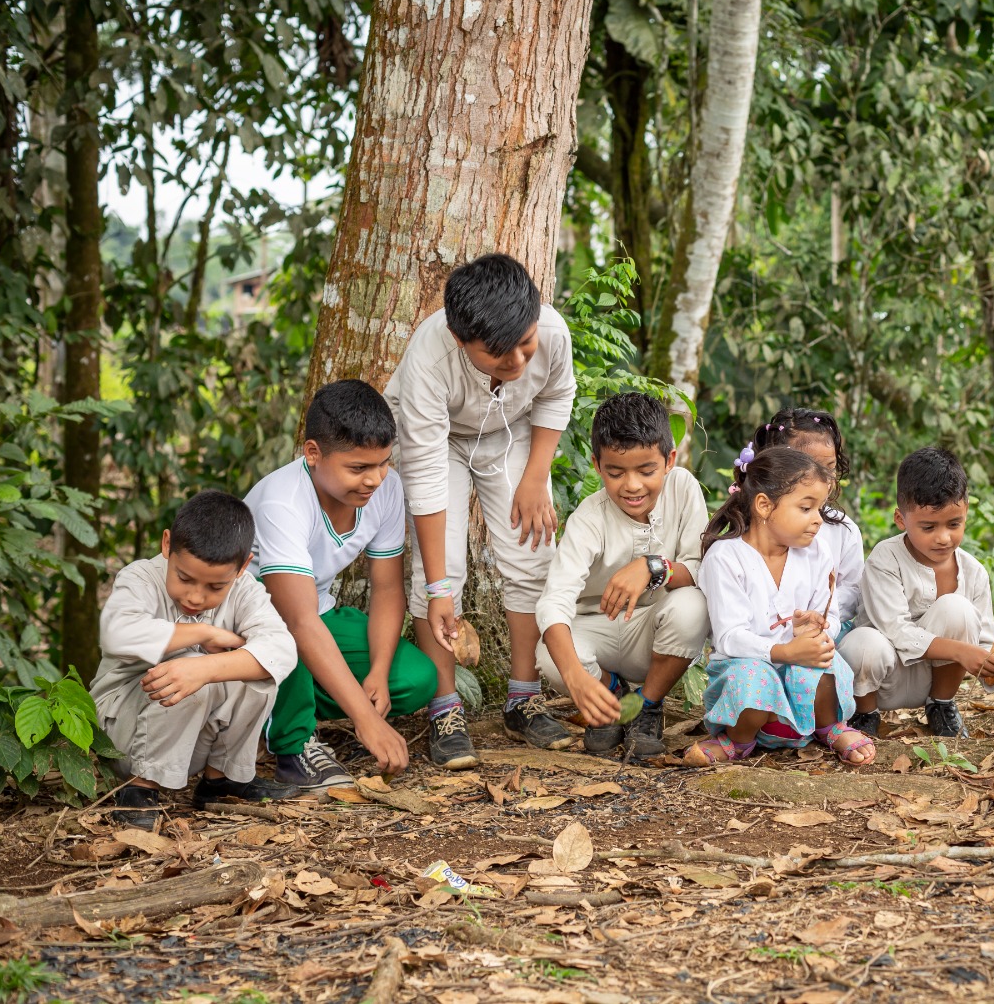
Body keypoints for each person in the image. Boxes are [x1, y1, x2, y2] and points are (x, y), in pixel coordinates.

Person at [384, 253, 577, 750]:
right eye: (498, 354)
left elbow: (557, 396)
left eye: (525, 346)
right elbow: (425, 475)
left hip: (509, 436)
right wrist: (438, 585)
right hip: (434, 441)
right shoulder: (430, 358)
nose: (516, 363)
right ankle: (444, 709)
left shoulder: (552, 332)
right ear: (459, 338)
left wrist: (536, 478)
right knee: (440, 573)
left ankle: (523, 698)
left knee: (531, 552)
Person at [248, 380, 470, 793]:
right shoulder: (282, 502)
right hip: (256, 624)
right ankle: (293, 744)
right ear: (313, 453)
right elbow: (296, 620)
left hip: (318, 615)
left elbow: (387, 590)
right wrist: (366, 721)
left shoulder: (386, 490)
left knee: (416, 678)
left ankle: (283, 698)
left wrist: (379, 674)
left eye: (383, 463)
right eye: (358, 468)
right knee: (288, 637)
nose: (374, 479)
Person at [93, 491, 300, 830]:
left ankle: (222, 782)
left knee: (256, 672)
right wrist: (204, 634)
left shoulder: (244, 588)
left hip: (190, 743)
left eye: (215, 586)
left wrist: (203, 668)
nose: (195, 596)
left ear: (243, 566)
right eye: (185, 578)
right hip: (122, 738)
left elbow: (281, 648)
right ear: (166, 545)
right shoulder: (141, 577)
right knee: (193, 677)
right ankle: (139, 788)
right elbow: (117, 632)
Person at [534, 393, 710, 759]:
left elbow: (698, 570)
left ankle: (646, 704)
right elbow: (555, 601)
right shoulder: (590, 517)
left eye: (646, 471)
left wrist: (652, 567)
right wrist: (577, 679)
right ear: (598, 466)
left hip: (652, 630)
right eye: (615, 472)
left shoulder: (684, 488)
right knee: (551, 655)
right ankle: (611, 700)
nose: (631, 485)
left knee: (694, 605)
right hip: (595, 627)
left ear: (669, 461)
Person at [686, 447, 875, 766]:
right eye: (806, 507)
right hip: (746, 674)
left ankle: (828, 726)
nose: (818, 520)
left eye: (820, 508)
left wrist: (815, 627)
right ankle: (737, 741)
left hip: (800, 676)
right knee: (752, 676)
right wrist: (784, 652)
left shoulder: (817, 553)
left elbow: (831, 616)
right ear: (764, 505)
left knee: (822, 657)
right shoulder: (726, 558)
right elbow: (730, 637)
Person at [840, 447, 994, 739]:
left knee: (958, 609)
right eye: (928, 527)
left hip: (937, 678)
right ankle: (865, 714)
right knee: (862, 641)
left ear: (966, 513)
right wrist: (962, 652)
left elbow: (984, 640)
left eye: (954, 524)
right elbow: (895, 630)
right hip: (883, 679)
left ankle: (941, 706)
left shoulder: (974, 571)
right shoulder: (885, 559)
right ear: (901, 520)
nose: (943, 537)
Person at [747, 408, 864, 632]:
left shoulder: (844, 530)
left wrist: (815, 615)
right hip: (759, 634)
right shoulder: (751, 523)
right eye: (811, 467)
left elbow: (852, 588)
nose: (825, 479)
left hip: (824, 629)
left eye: (830, 468)